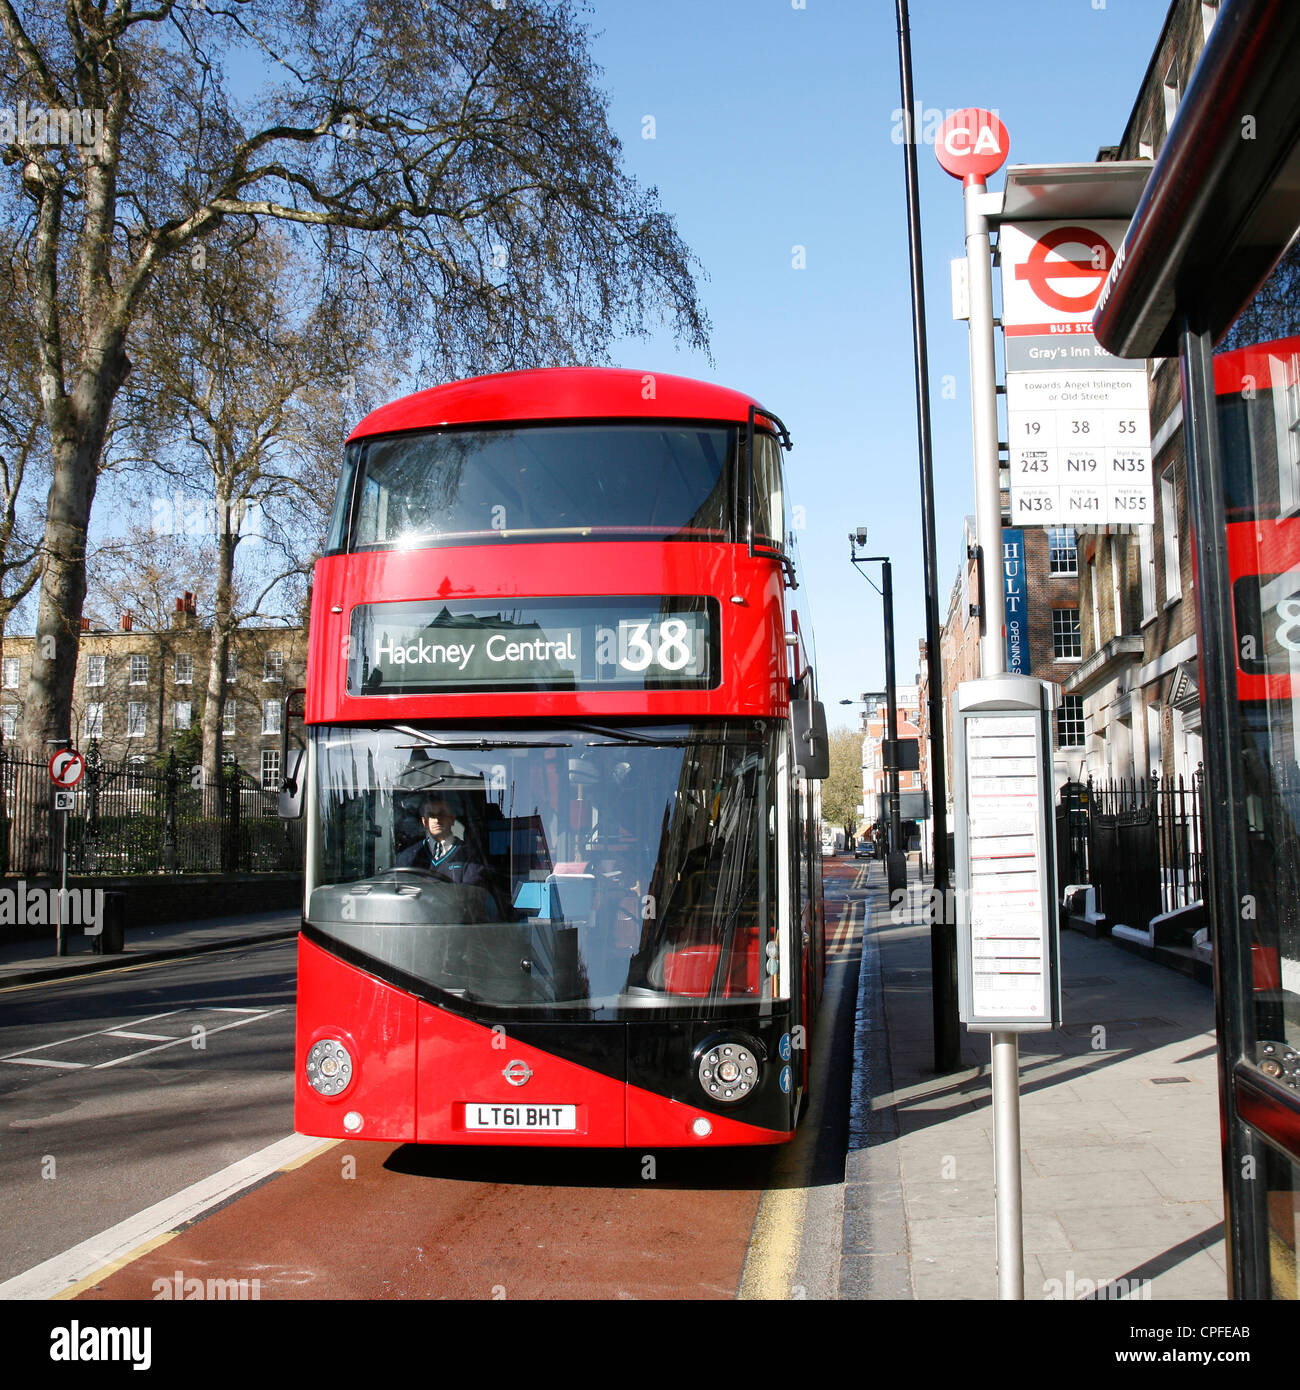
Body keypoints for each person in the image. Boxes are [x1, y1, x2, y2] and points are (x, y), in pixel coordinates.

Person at [396, 796, 487, 885]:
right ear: (425, 822)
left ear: (452, 819)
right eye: (431, 815)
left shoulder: (470, 856)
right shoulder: (409, 856)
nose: (437, 820)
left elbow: (471, 893)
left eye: (442, 814)